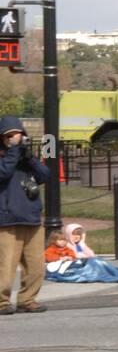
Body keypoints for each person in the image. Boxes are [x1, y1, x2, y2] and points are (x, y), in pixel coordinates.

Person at [0, 116, 51, 314]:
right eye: (10, 136)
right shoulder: (7, 157)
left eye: (18, 135)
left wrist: (29, 156)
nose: (15, 138)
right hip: (6, 220)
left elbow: (44, 175)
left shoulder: (24, 158)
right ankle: (2, 302)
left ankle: (27, 299)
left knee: (36, 266)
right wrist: (13, 152)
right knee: (5, 266)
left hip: (30, 217)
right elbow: (3, 174)